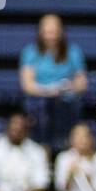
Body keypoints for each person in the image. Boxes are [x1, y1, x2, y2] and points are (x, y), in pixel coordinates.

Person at [19, 12, 86, 152]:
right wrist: (47, 91)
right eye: (47, 31)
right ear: (40, 32)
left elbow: (82, 82)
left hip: (65, 101)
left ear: (61, 32)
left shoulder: (73, 52)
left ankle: (64, 148)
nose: (51, 35)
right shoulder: (30, 52)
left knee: (64, 106)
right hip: (39, 102)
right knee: (43, 109)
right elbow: (27, 84)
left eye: (54, 31)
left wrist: (69, 87)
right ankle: (43, 149)